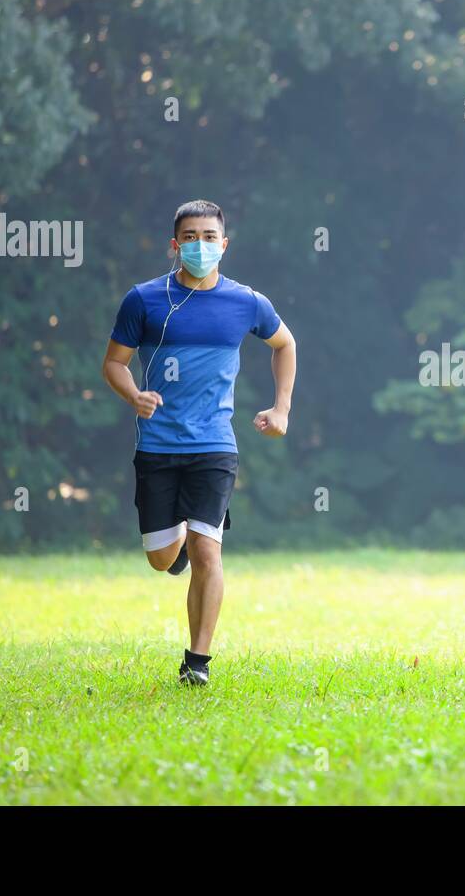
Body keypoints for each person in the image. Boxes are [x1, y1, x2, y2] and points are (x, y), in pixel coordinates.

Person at [101, 199, 296, 685]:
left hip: (214, 446)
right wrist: (134, 396)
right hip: (158, 446)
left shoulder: (246, 302)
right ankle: (178, 541)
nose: (200, 245)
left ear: (224, 245)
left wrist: (281, 408)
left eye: (209, 237)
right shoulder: (144, 301)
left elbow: (285, 345)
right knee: (162, 559)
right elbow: (113, 363)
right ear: (174, 244)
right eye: (190, 237)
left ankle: (197, 663)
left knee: (211, 552)